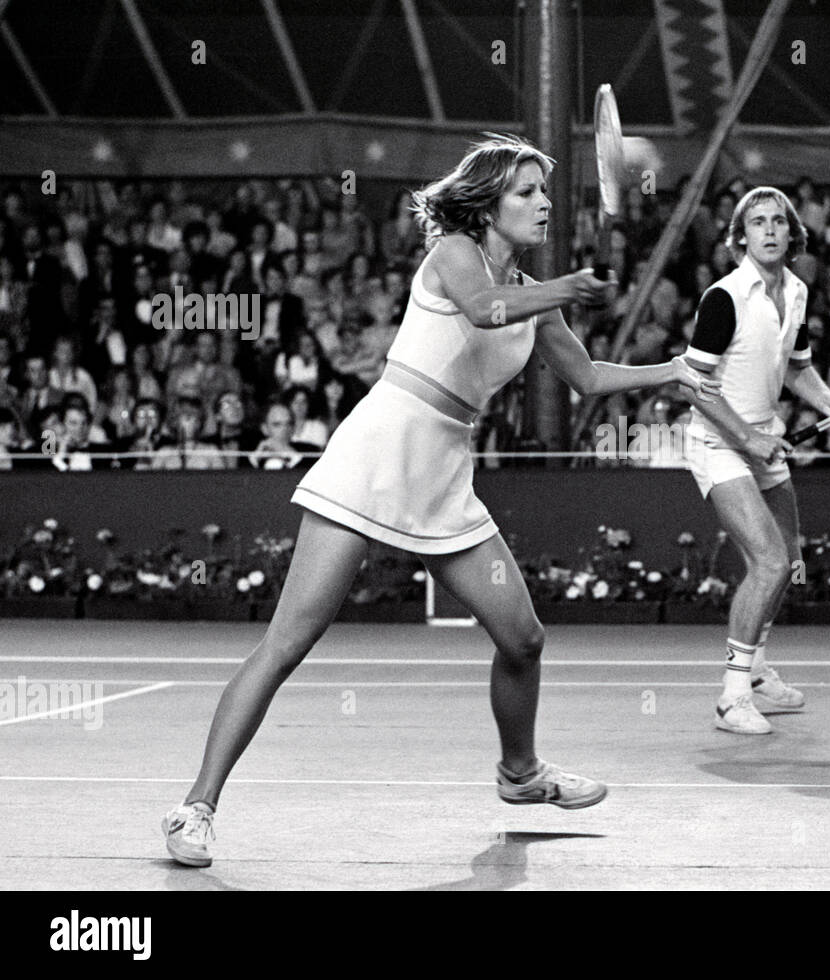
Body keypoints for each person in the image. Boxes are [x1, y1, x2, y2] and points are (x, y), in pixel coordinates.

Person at [162, 134, 720, 867]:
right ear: (489, 202)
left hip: (447, 473)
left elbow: (585, 378)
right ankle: (193, 810)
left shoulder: (534, 290)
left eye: (545, 192)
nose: (544, 203)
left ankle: (520, 775)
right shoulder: (457, 254)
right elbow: (486, 310)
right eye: (528, 192)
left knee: (522, 638)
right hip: (378, 454)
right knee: (289, 642)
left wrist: (670, 369)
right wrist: (564, 287)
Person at [679, 185, 830, 736]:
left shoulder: (798, 292)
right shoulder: (724, 298)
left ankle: (754, 669)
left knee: (790, 558)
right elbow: (694, 384)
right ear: (741, 236)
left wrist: (825, 398)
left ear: (792, 233)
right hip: (718, 441)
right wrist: (747, 440)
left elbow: (797, 366)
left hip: (764, 440)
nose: (771, 230)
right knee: (770, 562)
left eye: (779, 221)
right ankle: (731, 698)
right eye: (758, 222)